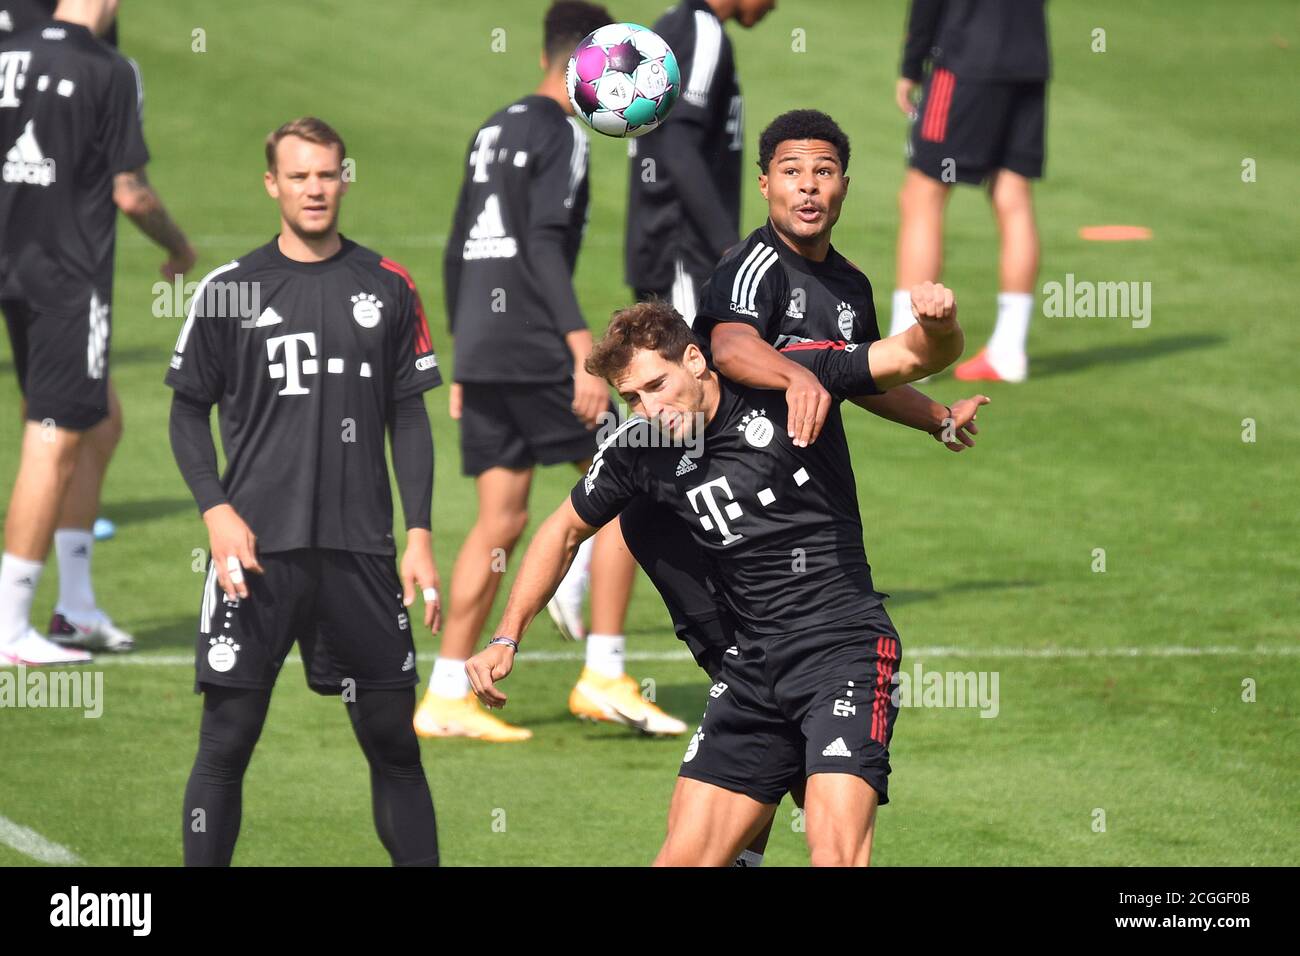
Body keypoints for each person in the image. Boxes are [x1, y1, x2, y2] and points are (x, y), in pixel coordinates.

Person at [467, 290, 964, 865]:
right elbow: (561, 532)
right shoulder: (638, 449)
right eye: (631, 398)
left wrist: (939, 328)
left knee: (834, 854)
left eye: (656, 386)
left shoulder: (788, 382)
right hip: (752, 668)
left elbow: (909, 360)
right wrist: (507, 636)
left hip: (841, 651)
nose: (648, 409)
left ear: (696, 362)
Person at [619, 108, 990, 864]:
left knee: (801, 785)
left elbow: (855, 374)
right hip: (722, 533)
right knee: (754, 690)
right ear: (766, 184)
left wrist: (934, 418)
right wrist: (790, 373)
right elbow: (727, 344)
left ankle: (749, 841)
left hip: (808, 566)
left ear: (845, 185)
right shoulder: (751, 268)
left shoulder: (848, 284)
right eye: (792, 172)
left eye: (822, 172)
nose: (808, 187)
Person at [167, 117, 441, 866]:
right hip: (253, 555)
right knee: (226, 743)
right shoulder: (230, 291)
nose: (315, 188)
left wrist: (417, 532)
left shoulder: (388, 285)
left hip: (361, 553)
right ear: (273, 185)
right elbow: (187, 409)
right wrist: (216, 510)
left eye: (326, 174)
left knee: (393, 743)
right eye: (299, 176)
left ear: (343, 178)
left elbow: (409, 413)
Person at [415, 0, 686, 743]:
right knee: (635, 480)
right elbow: (538, 243)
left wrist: (462, 351)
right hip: (538, 345)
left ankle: (443, 693)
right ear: (591, 61)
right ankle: (602, 671)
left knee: (499, 519)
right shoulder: (562, 133)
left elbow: (457, 243)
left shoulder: (493, 128)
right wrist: (580, 351)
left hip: (488, 345)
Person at [0, 0, 195, 666]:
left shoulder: (9, 53)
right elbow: (130, 192)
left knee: (101, 421)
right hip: (65, 284)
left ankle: (76, 607)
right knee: (51, 441)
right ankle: (9, 628)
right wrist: (180, 247)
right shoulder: (107, 68)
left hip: (13, 270)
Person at [888, 0, 1051, 383]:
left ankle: (907, 346)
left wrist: (912, 64)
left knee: (922, 194)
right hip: (1029, 60)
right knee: (1013, 194)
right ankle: (1008, 351)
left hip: (966, 60)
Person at [624, 0, 775, 324]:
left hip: (660, 241)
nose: (774, 5)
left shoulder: (670, 24)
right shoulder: (703, 32)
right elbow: (677, 145)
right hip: (683, 250)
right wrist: (728, 247)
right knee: (694, 369)